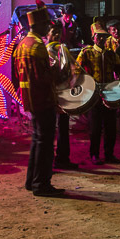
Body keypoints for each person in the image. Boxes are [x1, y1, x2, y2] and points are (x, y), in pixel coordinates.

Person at [12, 4, 66, 197]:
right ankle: (41, 184)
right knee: (45, 144)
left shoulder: (22, 45)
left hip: (30, 100)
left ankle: (31, 181)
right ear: (39, 26)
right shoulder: (37, 47)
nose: (48, 28)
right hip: (43, 100)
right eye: (46, 25)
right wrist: (57, 70)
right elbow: (42, 78)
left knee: (37, 140)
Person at [76, 24, 120, 165]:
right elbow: (77, 71)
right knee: (95, 128)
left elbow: (119, 69)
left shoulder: (111, 54)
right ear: (93, 37)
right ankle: (94, 154)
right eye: (98, 36)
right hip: (94, 95)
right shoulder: (86, 53)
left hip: (109, 93)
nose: (101, 38)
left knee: (110, 127)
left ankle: (109, 154)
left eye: (103, 36)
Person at [45, 21, 79, 170]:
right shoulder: (44, 51)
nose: (57, 35)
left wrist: (74, 81)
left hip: (64, 95)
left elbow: (74, 67)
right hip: (50, 96)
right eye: (54, 32)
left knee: (64, 129)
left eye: (58, 32)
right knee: (49, 130)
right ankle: (48, 162)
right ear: (47, 34)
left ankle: (62, 159)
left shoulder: (63, 49)